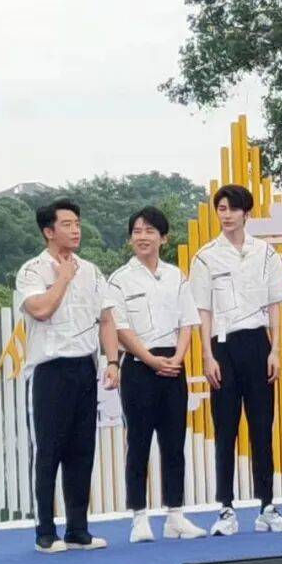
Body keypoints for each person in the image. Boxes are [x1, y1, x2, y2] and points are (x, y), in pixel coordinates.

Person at [190, 185, 282, 536]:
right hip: (222, 347)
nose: (227, 214)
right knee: (226, 429)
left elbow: (275, 304)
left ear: (246, 213)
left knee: (262, 427)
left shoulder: (265, 253)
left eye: (233, 209)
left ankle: (267, 507)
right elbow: (203, 311)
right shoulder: (205, 257)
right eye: (221, 208)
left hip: (257, 344)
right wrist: (207, 355)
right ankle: (226, 508)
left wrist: (275, 350)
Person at [15, 199, 119, 553]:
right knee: (48, 452)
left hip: (84, 368)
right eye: (67, 224)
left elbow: (107, 319)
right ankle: (45, 532)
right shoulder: (31, 271)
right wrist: (62, 278)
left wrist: (113, 361)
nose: (76, 230)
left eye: (77, 223)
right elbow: (41, 309)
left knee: (81, 451)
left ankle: (78, 529)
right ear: (48, 231)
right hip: (49, 370)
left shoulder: (91, 271)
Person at [108, 206, 206, 543]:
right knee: (138, 443)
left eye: (150, 231)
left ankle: (175, 515)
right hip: (139, 366)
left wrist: (177, 357)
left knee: (174, 443)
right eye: (137, 231)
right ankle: (139, 517)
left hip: (173, 365)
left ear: (163, 238)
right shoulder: (119, 280)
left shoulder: (176, 276)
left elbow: (187, 322)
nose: (143, 237)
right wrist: (150, 359)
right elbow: (120, 328)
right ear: (130, 239)